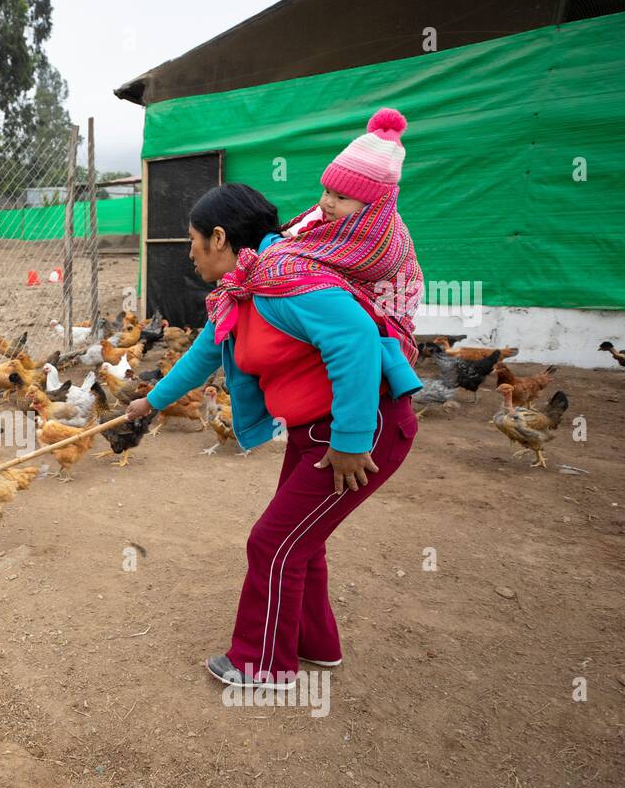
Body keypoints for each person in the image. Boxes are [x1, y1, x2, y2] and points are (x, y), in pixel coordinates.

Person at [125, 108, 423, 689]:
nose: (188, 256)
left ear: (219, 238)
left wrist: (351, 442)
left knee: (272, 540)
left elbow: (359, 343)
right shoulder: (245, 288)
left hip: (366, 428)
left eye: (192, 243)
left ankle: (263, 664)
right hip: (319, 428)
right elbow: (205, 355)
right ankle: (315, 646)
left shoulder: (284, 277)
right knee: (300, 542)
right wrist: (149, 404)